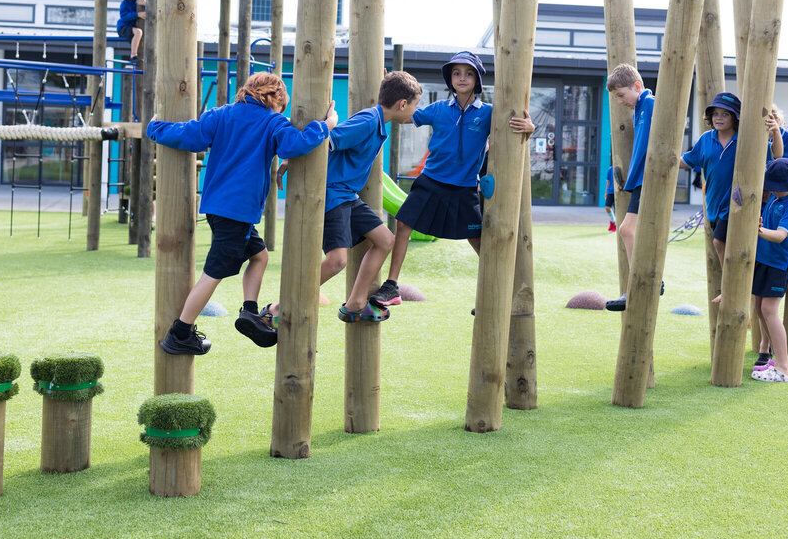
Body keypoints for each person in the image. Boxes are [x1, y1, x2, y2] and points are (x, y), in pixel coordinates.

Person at [149, 72, 337, 354]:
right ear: (276, 100)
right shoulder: (273, 121)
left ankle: (250, 311)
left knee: (259, 256)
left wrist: (155, 128)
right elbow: (295, 145)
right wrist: (326, 125)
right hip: (238, 212)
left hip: (220, 208)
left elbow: (190, 135)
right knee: (213, 273)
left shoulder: (222, 114)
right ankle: (180, 332)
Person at [372, 52, 533, 307]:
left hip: (465, 188)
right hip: (431, 182)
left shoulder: (490, 113)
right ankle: (392, 286)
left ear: (478, 80)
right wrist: (388, 88)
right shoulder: (437, 110)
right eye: (456, 73)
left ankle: (497, 292)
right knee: (402, 224)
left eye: (468, 73)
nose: (462, 78)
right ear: (450, 78)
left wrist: (530, 128)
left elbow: (516, 128)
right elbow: (405, 115)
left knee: (480, 240)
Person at [269, 71, 422, 323]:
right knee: (337, 260)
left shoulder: (378, 121)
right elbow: (327, 139)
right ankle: (278, 306)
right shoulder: (368, 121)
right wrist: (290, 158)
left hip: (347, 195)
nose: (415, 111)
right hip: (332, 193)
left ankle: (355, 303)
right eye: (414, 105)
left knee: (385, 240)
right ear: (402, 104)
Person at [749, 158, 788, 383]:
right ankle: (772, 357)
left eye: (776, 185)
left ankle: (785, 367)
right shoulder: (777, 197)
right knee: (759, 307)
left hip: (779, 264)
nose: (772, 188)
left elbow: (780, 236)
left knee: (769, 310)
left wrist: (758, 231)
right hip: (764, 260)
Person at [603, 64, 655, 311]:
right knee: (631, 232)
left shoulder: (652, 104)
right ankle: (647, 282)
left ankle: (641, 285)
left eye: (621, 95)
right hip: (640, 179)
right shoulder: (641, 108)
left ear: (637, 86)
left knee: (626, 230)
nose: (620, 101)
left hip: (648, 179)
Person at [680, 92, 743, 267]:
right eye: (715, 113)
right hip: (713, 204)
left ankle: (727, 289)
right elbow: (686, 161)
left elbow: (774, 154)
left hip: (736, 203)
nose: (718, 118)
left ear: (735, 118)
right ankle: (732, 287)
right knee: (727, 247)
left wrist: (775, 132)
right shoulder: (706, 139)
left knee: (719, 242)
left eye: (725, 114)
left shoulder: (744, 139)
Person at [116, 0, 146, 65]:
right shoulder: (124, 4)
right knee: (138, 32)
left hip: (131, 26)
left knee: (139, 33)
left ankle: (135, 55)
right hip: (123, 27)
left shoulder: (137, 2)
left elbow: (149, 12)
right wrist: (137, 14)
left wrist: (145, 4)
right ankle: (133, 55)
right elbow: (124, 17)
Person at [604, 166, 617, 233]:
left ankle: (615, 226)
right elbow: (608, 182)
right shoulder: (610, 169)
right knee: (607, 207)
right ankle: (613, 221)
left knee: (616, 210)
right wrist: (606, 192)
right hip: (610, 191)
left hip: (618, 191)